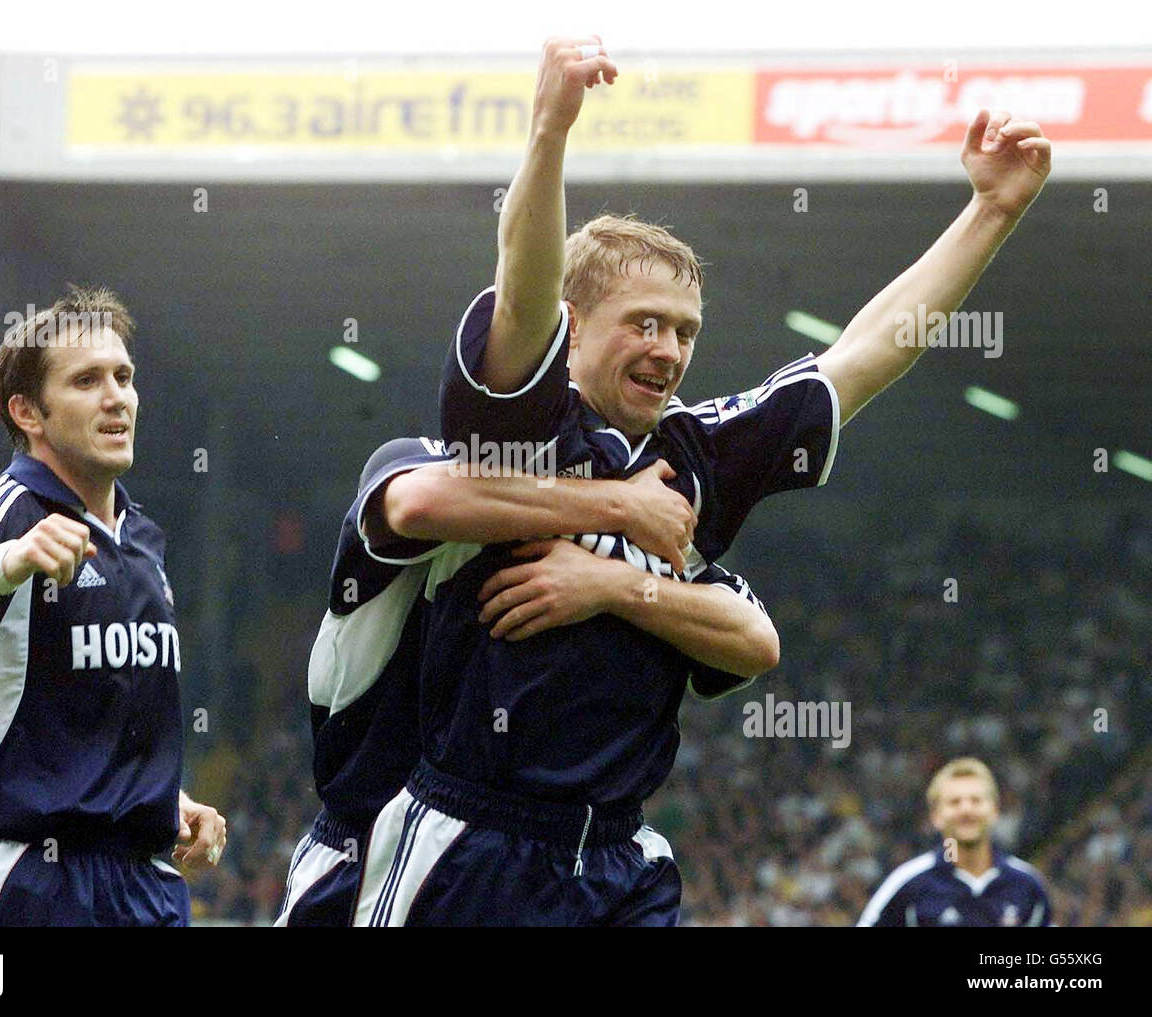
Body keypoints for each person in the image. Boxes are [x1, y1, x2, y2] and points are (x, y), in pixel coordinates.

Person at [355, 36, 1052, 926]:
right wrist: (550, 131)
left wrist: (990, 211)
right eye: (645, 322)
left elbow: (864, 355)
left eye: (686, 330)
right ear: (574, 330)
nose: (671, 349)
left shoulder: (698, 452)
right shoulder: (521, 430)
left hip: (619, 856)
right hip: (470, 843)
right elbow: (524, 295)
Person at [279, 437, 772, 925]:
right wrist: (619, 505)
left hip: (589, 858)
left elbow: (757, 641)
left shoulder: (634, 540)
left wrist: (611, 585)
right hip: (376, 854)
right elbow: (417, 504)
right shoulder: (426, 461)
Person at [0, 285, 225, 926]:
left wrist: (159, 801)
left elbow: (82, 726)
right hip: (21, 884)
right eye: (87, 380)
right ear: (29, 413)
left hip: (142, 884)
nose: (116, 395)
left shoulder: (142, 540)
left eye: (123, 376)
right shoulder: (6, 512)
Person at [857, 757, 1052, 926]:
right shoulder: (909, 884)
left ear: (994, 810)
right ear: (935, 816)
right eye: (954, 802)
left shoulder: (1027, 885)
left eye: (976, 800)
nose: (966, 809)